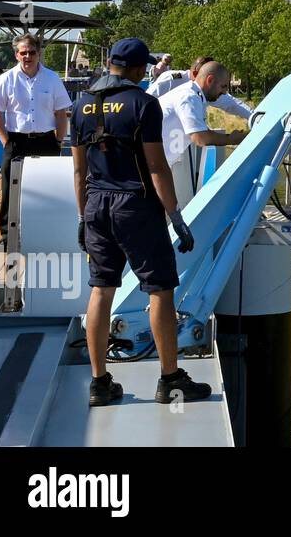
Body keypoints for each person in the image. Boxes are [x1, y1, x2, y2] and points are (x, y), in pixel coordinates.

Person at [71, 37, 211, 407]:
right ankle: (169, 379)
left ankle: (99, 383)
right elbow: (155, 165)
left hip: (97, 205)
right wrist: (176, 217)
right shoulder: (144, 105)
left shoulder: (80, 105)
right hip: (136, 206)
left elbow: (78, 168)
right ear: (135, 69)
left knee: (101, 290)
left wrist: (82, 217)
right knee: (159, 290)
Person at [0, 34, 72, 248]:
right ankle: (8, 239)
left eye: (31, 52)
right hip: (16, 141)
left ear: (39, 53)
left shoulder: (53, 78)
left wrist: (58, 141)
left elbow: (61, 113)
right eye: (23, 52)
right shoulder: (6, 78)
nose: (27, 56)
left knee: (50, 189)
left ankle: (48, 234)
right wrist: (5, 142)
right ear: (16, 55)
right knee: (10, 191)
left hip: (46, 142)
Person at [158, 61, 249, 167]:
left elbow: (231, 103)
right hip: (146, 166)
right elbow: (200, 138)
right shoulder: (189, 97)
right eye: (223, 86)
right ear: (210, 80)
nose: (224, 92)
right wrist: (231, 139)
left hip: (156, 164)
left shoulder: (194, 94)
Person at [148, 54, 253, 120]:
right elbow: (146, 101)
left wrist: (254, 116)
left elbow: (232, 103)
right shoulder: (171, 79)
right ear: (195, 73)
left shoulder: (208, 89)